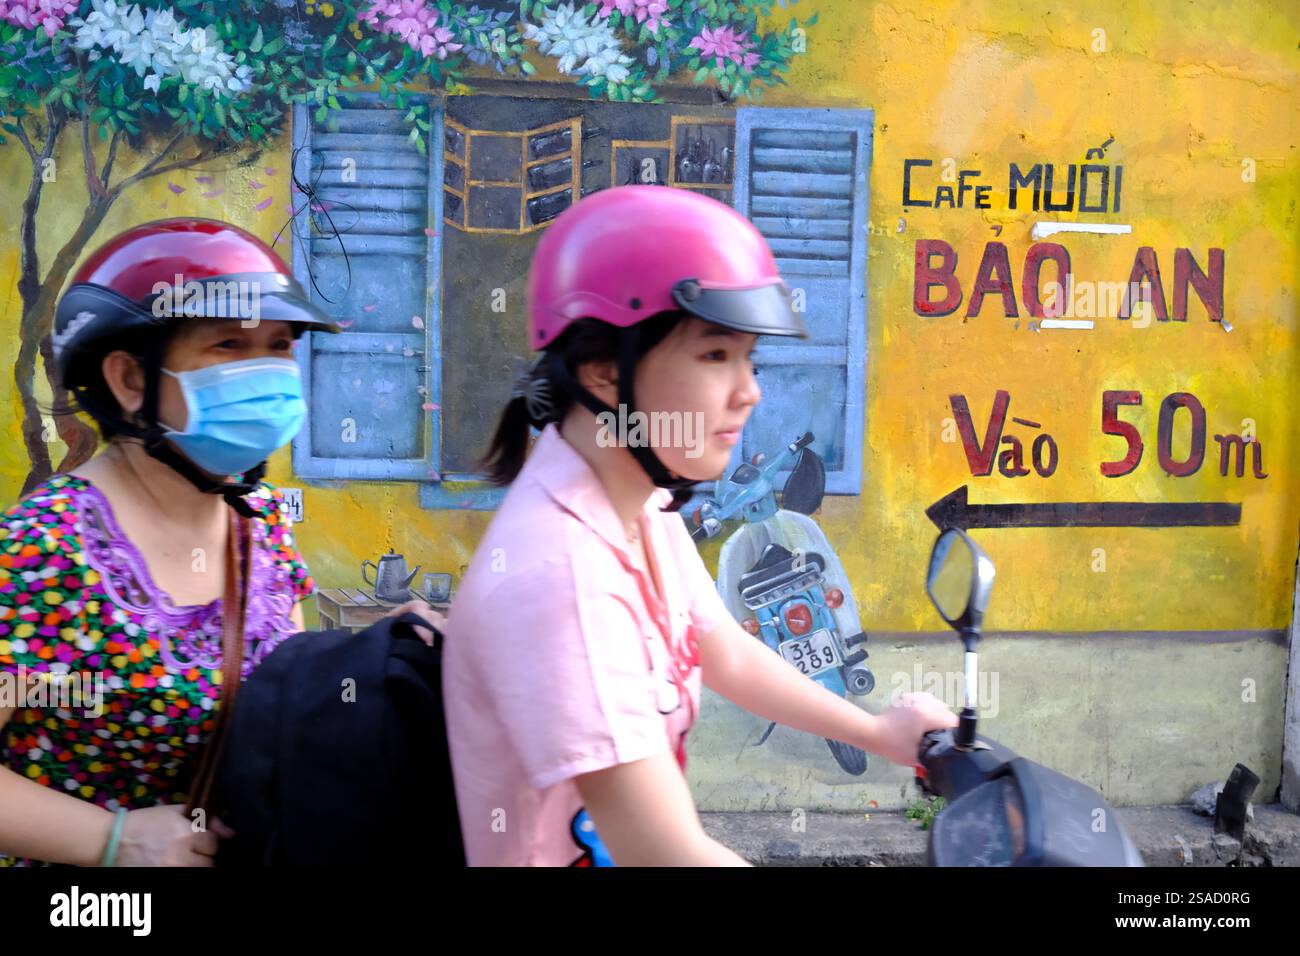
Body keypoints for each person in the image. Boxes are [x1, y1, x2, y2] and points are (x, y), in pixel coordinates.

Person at [443, 186, 957, 866]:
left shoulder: (636, 510)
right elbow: (667, 852)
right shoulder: (561, 577)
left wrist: (878, 732)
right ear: (604, 373)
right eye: (716, 355)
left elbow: (726, 653)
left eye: (750, 357)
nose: (750, 391)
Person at [0, 218, 437, 866]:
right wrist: (112, 842)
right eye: (230, 345)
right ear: (129, 380)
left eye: (281, 345)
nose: (268, 373)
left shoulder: (260, 523)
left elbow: (275, 705)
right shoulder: (40, 550)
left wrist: (367, 662)